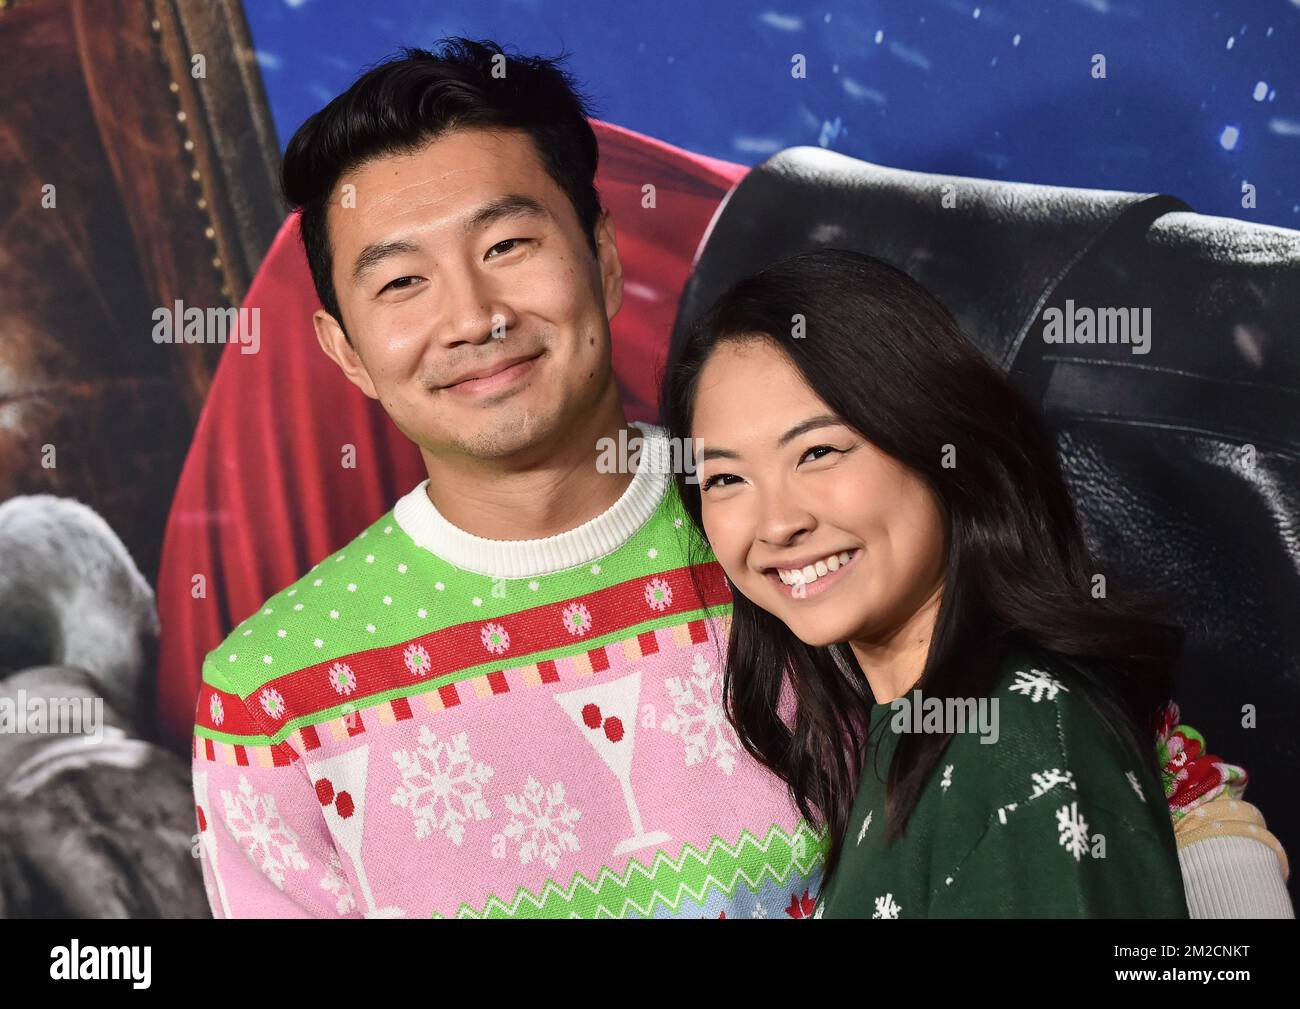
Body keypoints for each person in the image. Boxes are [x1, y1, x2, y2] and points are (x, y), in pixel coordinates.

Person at [659, 247, 1289, 917]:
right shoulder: (900, 727)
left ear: (937, 443)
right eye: (725, 477)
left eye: (818, 451)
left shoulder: (1015, 736)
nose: (777, 522)